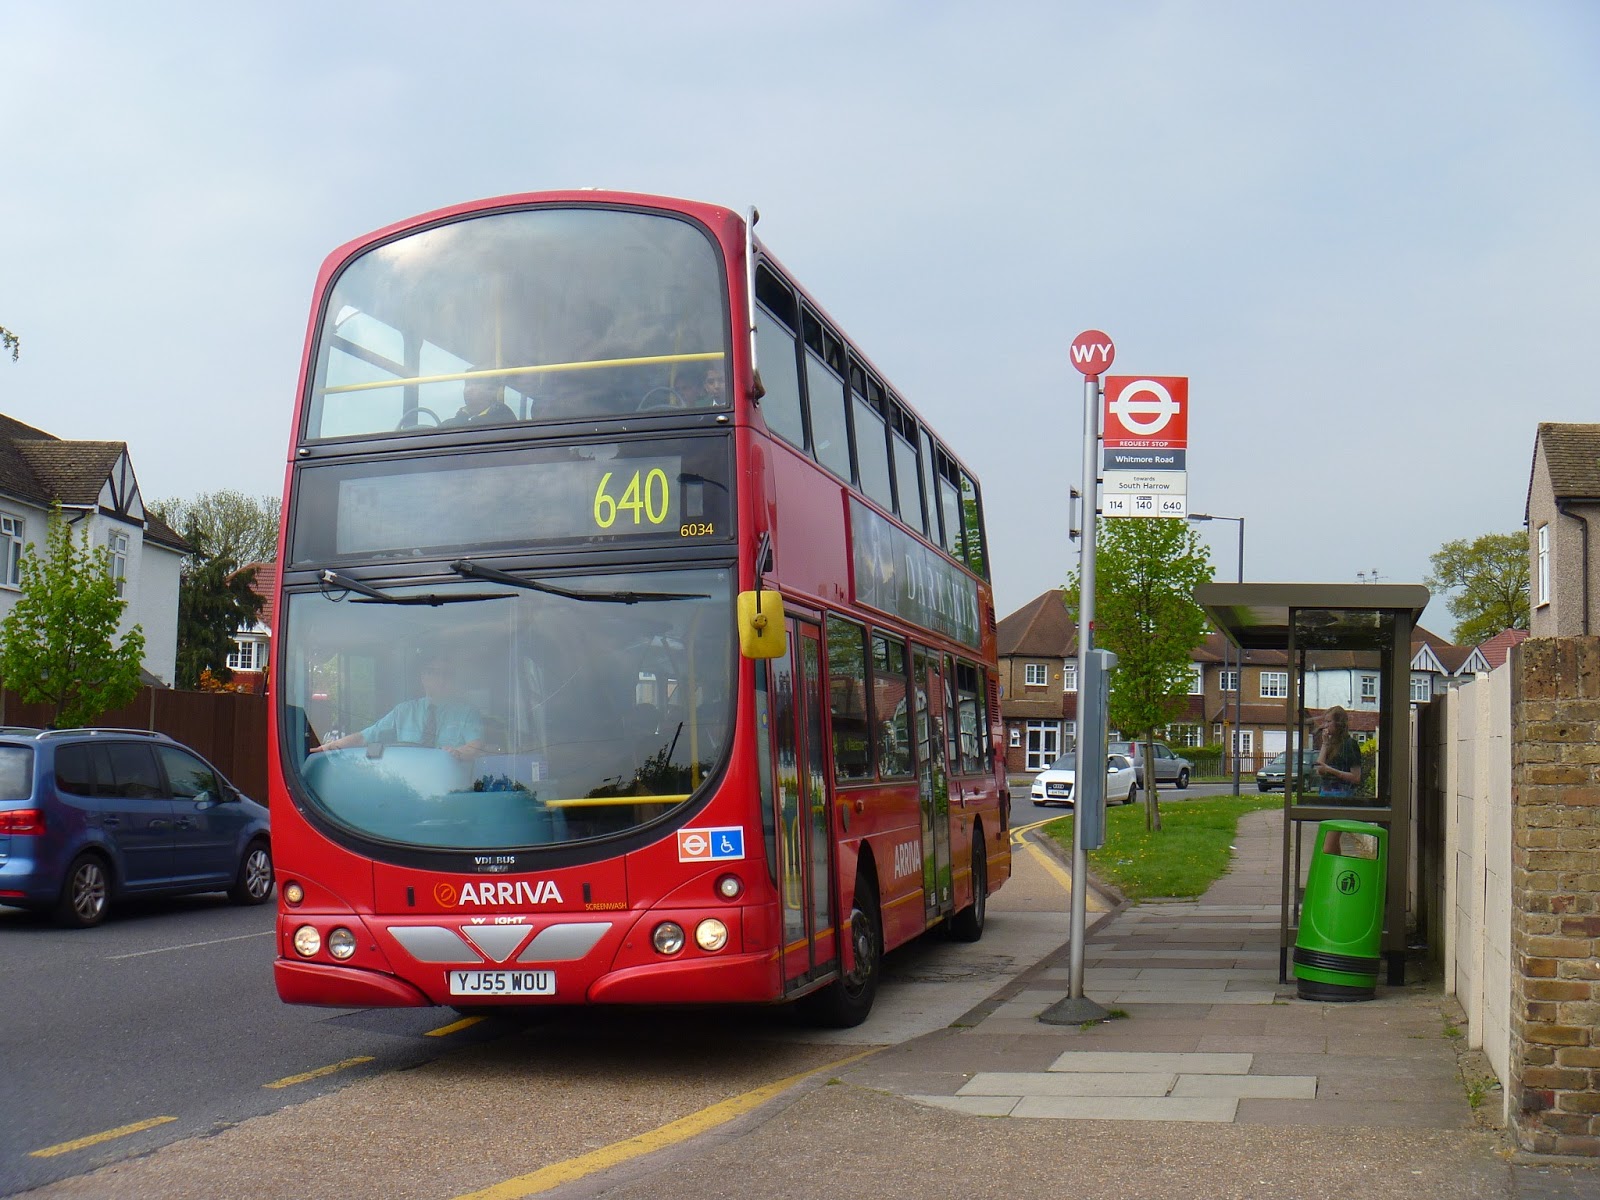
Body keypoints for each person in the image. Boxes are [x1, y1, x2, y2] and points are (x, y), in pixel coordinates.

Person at [312, 656, 485, 760]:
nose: (440, 679)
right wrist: (329, 747)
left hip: (447, 786)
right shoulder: (404, 711)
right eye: (433, 672)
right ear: (423, 677)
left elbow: (476, 746)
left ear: (453, 679)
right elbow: (365, 737)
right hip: (406, 783)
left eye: (446, 674)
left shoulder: (467, 713)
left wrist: (457, 753)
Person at [1314, 705, 1362, 796]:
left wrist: (1331, 771)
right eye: (1325, 722)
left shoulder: (1350, 744)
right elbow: (1319, 769)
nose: (1325, 726)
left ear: (1338, 723)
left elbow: (1356, 777)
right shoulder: (1329, 744)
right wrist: (1325, 744)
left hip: (1342, 794)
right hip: (1325, 793)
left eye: (1329, 722)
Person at [444, 373, 517, 426]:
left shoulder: (502, 420)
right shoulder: (450, 424)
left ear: (492, 390)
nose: (468, 390)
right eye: (467, 384)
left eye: (475, 384)